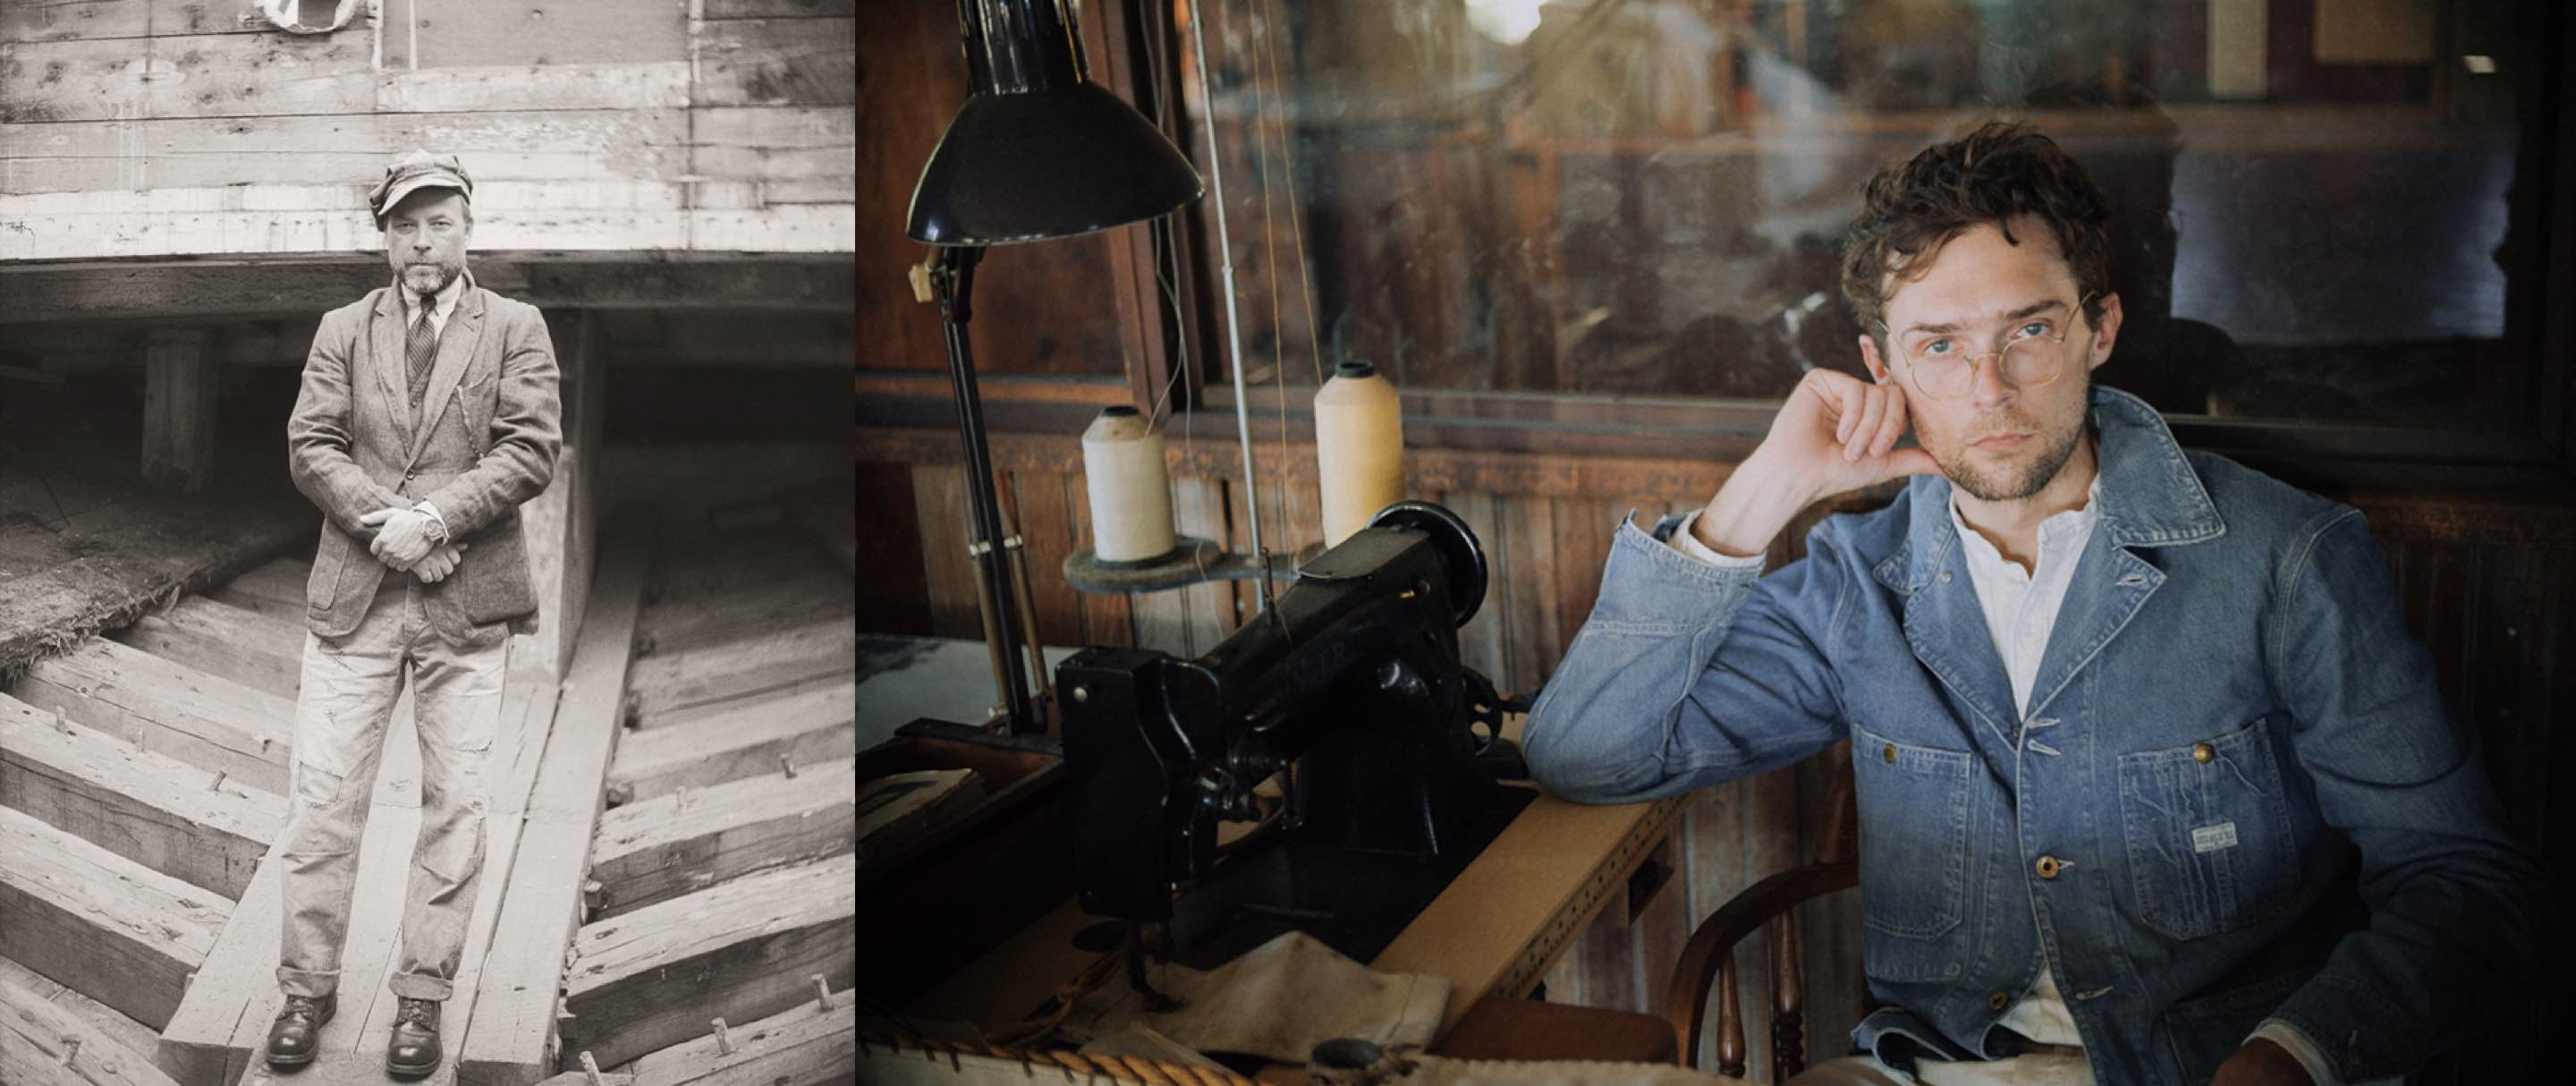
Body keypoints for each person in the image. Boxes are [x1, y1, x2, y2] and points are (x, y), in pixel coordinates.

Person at [1521, 123, 2546, 1086]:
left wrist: (2290, 1058)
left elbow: (2466, 882)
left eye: (2030, 330)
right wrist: (1757, 498)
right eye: (1939, 347)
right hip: (1940, 1068)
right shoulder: (1855, 580)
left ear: (2099, 328)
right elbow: (1586, 752)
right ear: (1880, 366)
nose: (1991, 391)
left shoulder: (2286, 557)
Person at [267, 148, 562, 1077]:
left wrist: (436, 517)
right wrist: (384, 523)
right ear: (384, 235)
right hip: (354, 603)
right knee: (323, 804)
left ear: (468, 225)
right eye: (405, 225)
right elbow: (311, 444)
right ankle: (306, 989)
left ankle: (422, 999)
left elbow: (530, 450)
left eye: (438, 222)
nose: (422, 241)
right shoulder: (340, 328)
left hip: (465, 610)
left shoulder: (517, 325)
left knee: (456, 809)